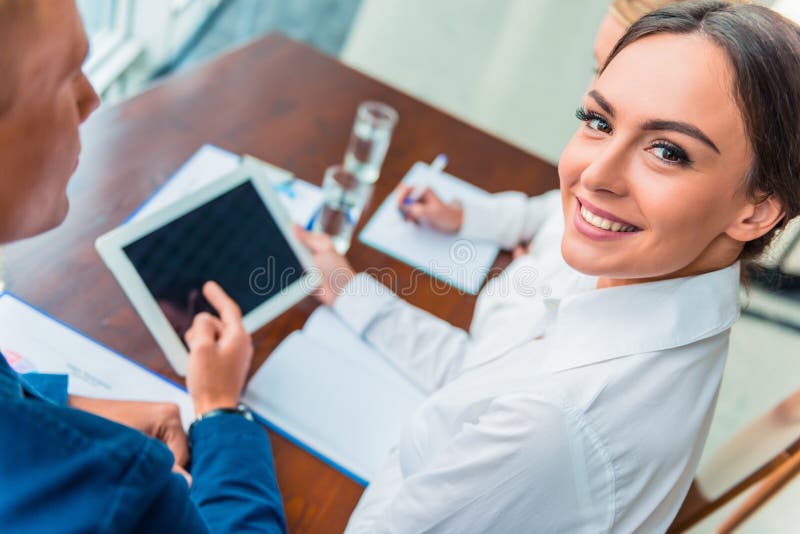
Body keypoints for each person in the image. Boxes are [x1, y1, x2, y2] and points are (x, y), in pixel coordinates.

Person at [290, 1, 800, 532]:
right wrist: (350, 292)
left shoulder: (556, 421)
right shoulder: (645, 274)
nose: (594, 175)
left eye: (668, 151)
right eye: (598, 120)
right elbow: (480, 379)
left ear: (757, 210)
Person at [0, 2, 285, 532]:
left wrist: (68, 406)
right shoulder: (117, 486)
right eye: (67, 74)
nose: (91, 98)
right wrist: (222, 411)